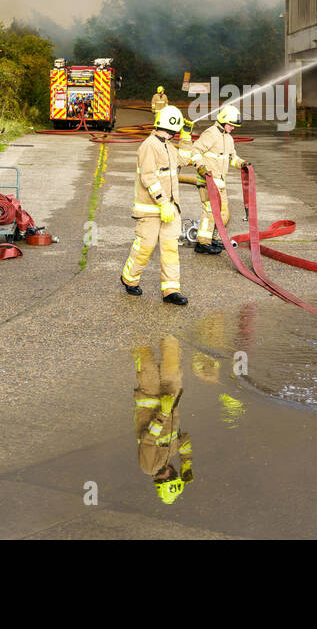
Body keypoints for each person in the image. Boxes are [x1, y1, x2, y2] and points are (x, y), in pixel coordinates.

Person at [120, 105, 194, 305]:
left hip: (171, 210)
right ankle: (129, 279)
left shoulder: (169, 147)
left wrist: (186, 139)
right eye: (177, 130)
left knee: (171, 250)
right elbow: (148, 178)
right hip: (151, 210)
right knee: (145, 247)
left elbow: (185, 160)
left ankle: (171, 290)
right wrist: (163, 202)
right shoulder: (148, 146)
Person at [132, 336, 194, 505]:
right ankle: (168, 326)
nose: (173, 471)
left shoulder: (149, 467)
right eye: (176, 473)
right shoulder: (169, 454)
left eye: (172, 475)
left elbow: (148, 439)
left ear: (164, 480)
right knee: (171, 358)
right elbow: (185, 440)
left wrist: (164, 414)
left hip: (150, 395)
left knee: (144, 356)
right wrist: (186, 463)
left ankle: (135, 325)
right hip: (170, 396)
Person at [189, 105, 246, 254]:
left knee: (223, 213)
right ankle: (202, 243)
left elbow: (232, 158)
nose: (233, 128)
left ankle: (213, 238)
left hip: (220, 183)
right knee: (209, 212)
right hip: (207, 181)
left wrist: (243, 164)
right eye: (231, 125)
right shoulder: (211, 134)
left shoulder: (228, 138)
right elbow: (195, 150)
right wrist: (201, 167)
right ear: (223, 121)